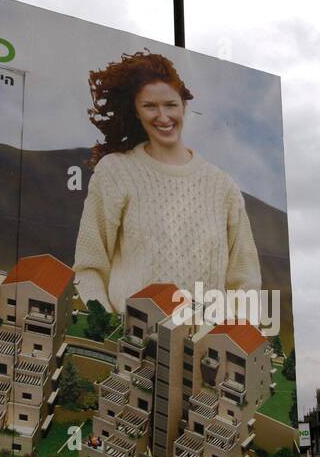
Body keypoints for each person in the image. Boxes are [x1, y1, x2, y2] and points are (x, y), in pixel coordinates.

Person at [73, 50, 261, 313]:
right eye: (150, 106)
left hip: (204, 349)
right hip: (131, 345)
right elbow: (89, 267)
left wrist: (230, 343)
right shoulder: (116, 171)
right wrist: (106, 326)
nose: (163, 117)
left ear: (184, 106)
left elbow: (246, 283)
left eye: (170, 105)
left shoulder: (223, 187)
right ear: (136, 112)